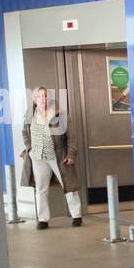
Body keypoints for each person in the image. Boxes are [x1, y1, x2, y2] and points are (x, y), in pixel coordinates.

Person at [19, 87, 82, 229]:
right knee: (41, 188)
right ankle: (43, 219)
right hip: (38, 156)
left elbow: (71, 136)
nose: (43, 99)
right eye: (39, 96)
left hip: (57, 155)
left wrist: (71, 154)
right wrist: (29, 148)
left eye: (45, 96)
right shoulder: (30, 114)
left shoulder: (61, 113)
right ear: (35, 99)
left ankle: (76, 215)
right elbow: (25, 132)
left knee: (68, 185)